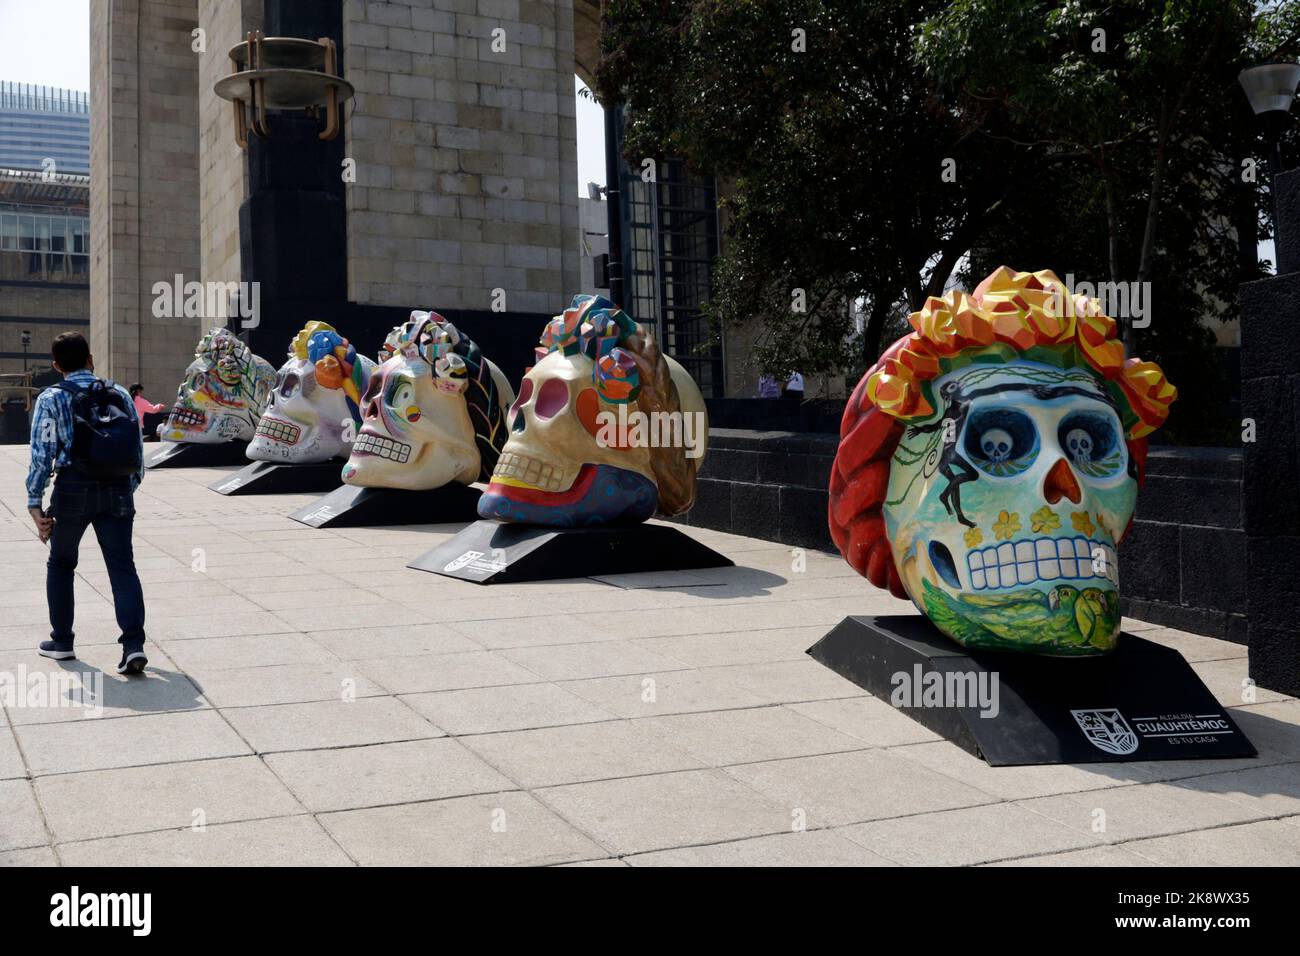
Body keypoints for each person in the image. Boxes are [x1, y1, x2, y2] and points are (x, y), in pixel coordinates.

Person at [26, 332, 148, 674]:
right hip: (117, 489)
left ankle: (62, 641)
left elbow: (41, 456)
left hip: (73, 490)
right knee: (122, 567)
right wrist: (126, 489)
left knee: (62, 563)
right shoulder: (120, 393)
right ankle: (133, 645)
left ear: (56, 366)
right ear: (91, 359)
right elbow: (138, 454)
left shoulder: (51, 398)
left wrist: (36, 505)